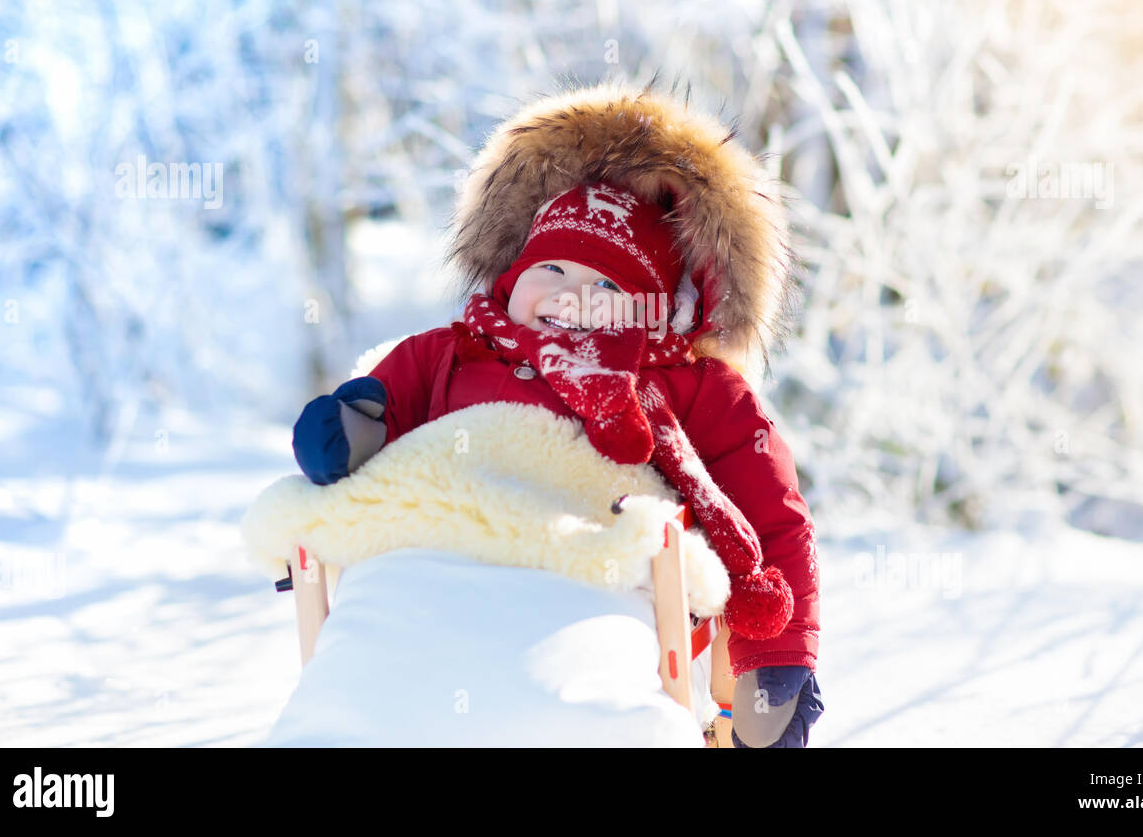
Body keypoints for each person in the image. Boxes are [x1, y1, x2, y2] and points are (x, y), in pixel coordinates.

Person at [292, 82, 823, 747]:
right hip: (426, 567)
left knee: (577, 703)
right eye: (554, 268)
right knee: (371, 673)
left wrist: (776, 660)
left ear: (650, 310)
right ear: (513, 278)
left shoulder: (685, 384)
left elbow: (769, 512)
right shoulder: (450, 354)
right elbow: (387, 402)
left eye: (607, 285)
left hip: (591, 580)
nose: (572, 295)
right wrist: (353, 429)